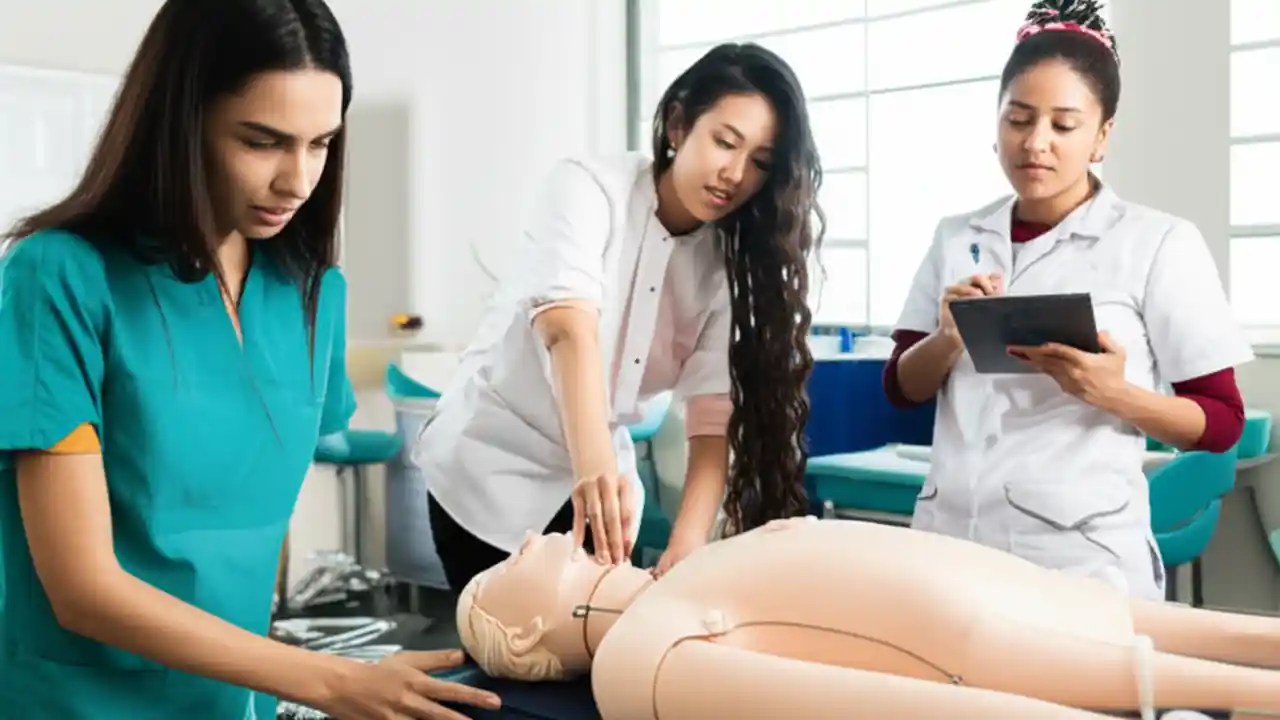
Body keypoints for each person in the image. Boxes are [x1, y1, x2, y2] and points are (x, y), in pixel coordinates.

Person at [0, 2, 498, 718]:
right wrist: (328, 681)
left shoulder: (311, 295)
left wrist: (272, 679)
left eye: (321, 143)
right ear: (182, 120)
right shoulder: (60, 278)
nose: (299, 180)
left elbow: (249, 525)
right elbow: (82, 587)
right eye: (262, 142)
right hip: (79, 699)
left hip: (238, 698)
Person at [413, 42, 824, 590]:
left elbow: (710, 421)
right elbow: (568, 329)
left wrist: (686, 547)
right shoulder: (587, 188)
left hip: (598, 487)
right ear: (678, 126)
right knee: (513, 659)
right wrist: (594, 468)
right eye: (724, 142)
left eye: (761, 163)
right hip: (491, 471)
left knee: (601, 664)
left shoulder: (727, 265)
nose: (735, 173)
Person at [883, 0, 1253, 601]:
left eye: (1063, 124)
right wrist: (947, 338)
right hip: (951, 545)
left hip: (1080, 560)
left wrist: (1114, 394)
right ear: (997, 123)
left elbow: (1220, 423)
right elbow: (901, 387)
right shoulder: (957, 236)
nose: (1036, 143)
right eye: (1019, 119)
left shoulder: (1158, 243)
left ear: (1102, 135)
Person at [456, 520, 1280, 720]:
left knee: (1242, 636)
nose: (532, 536)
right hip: (973, 646)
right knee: (1215, 681)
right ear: (528, 634)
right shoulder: (636, 660)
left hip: (1019, 587)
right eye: (511, 564)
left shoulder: (676, 583)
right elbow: (850, 704)